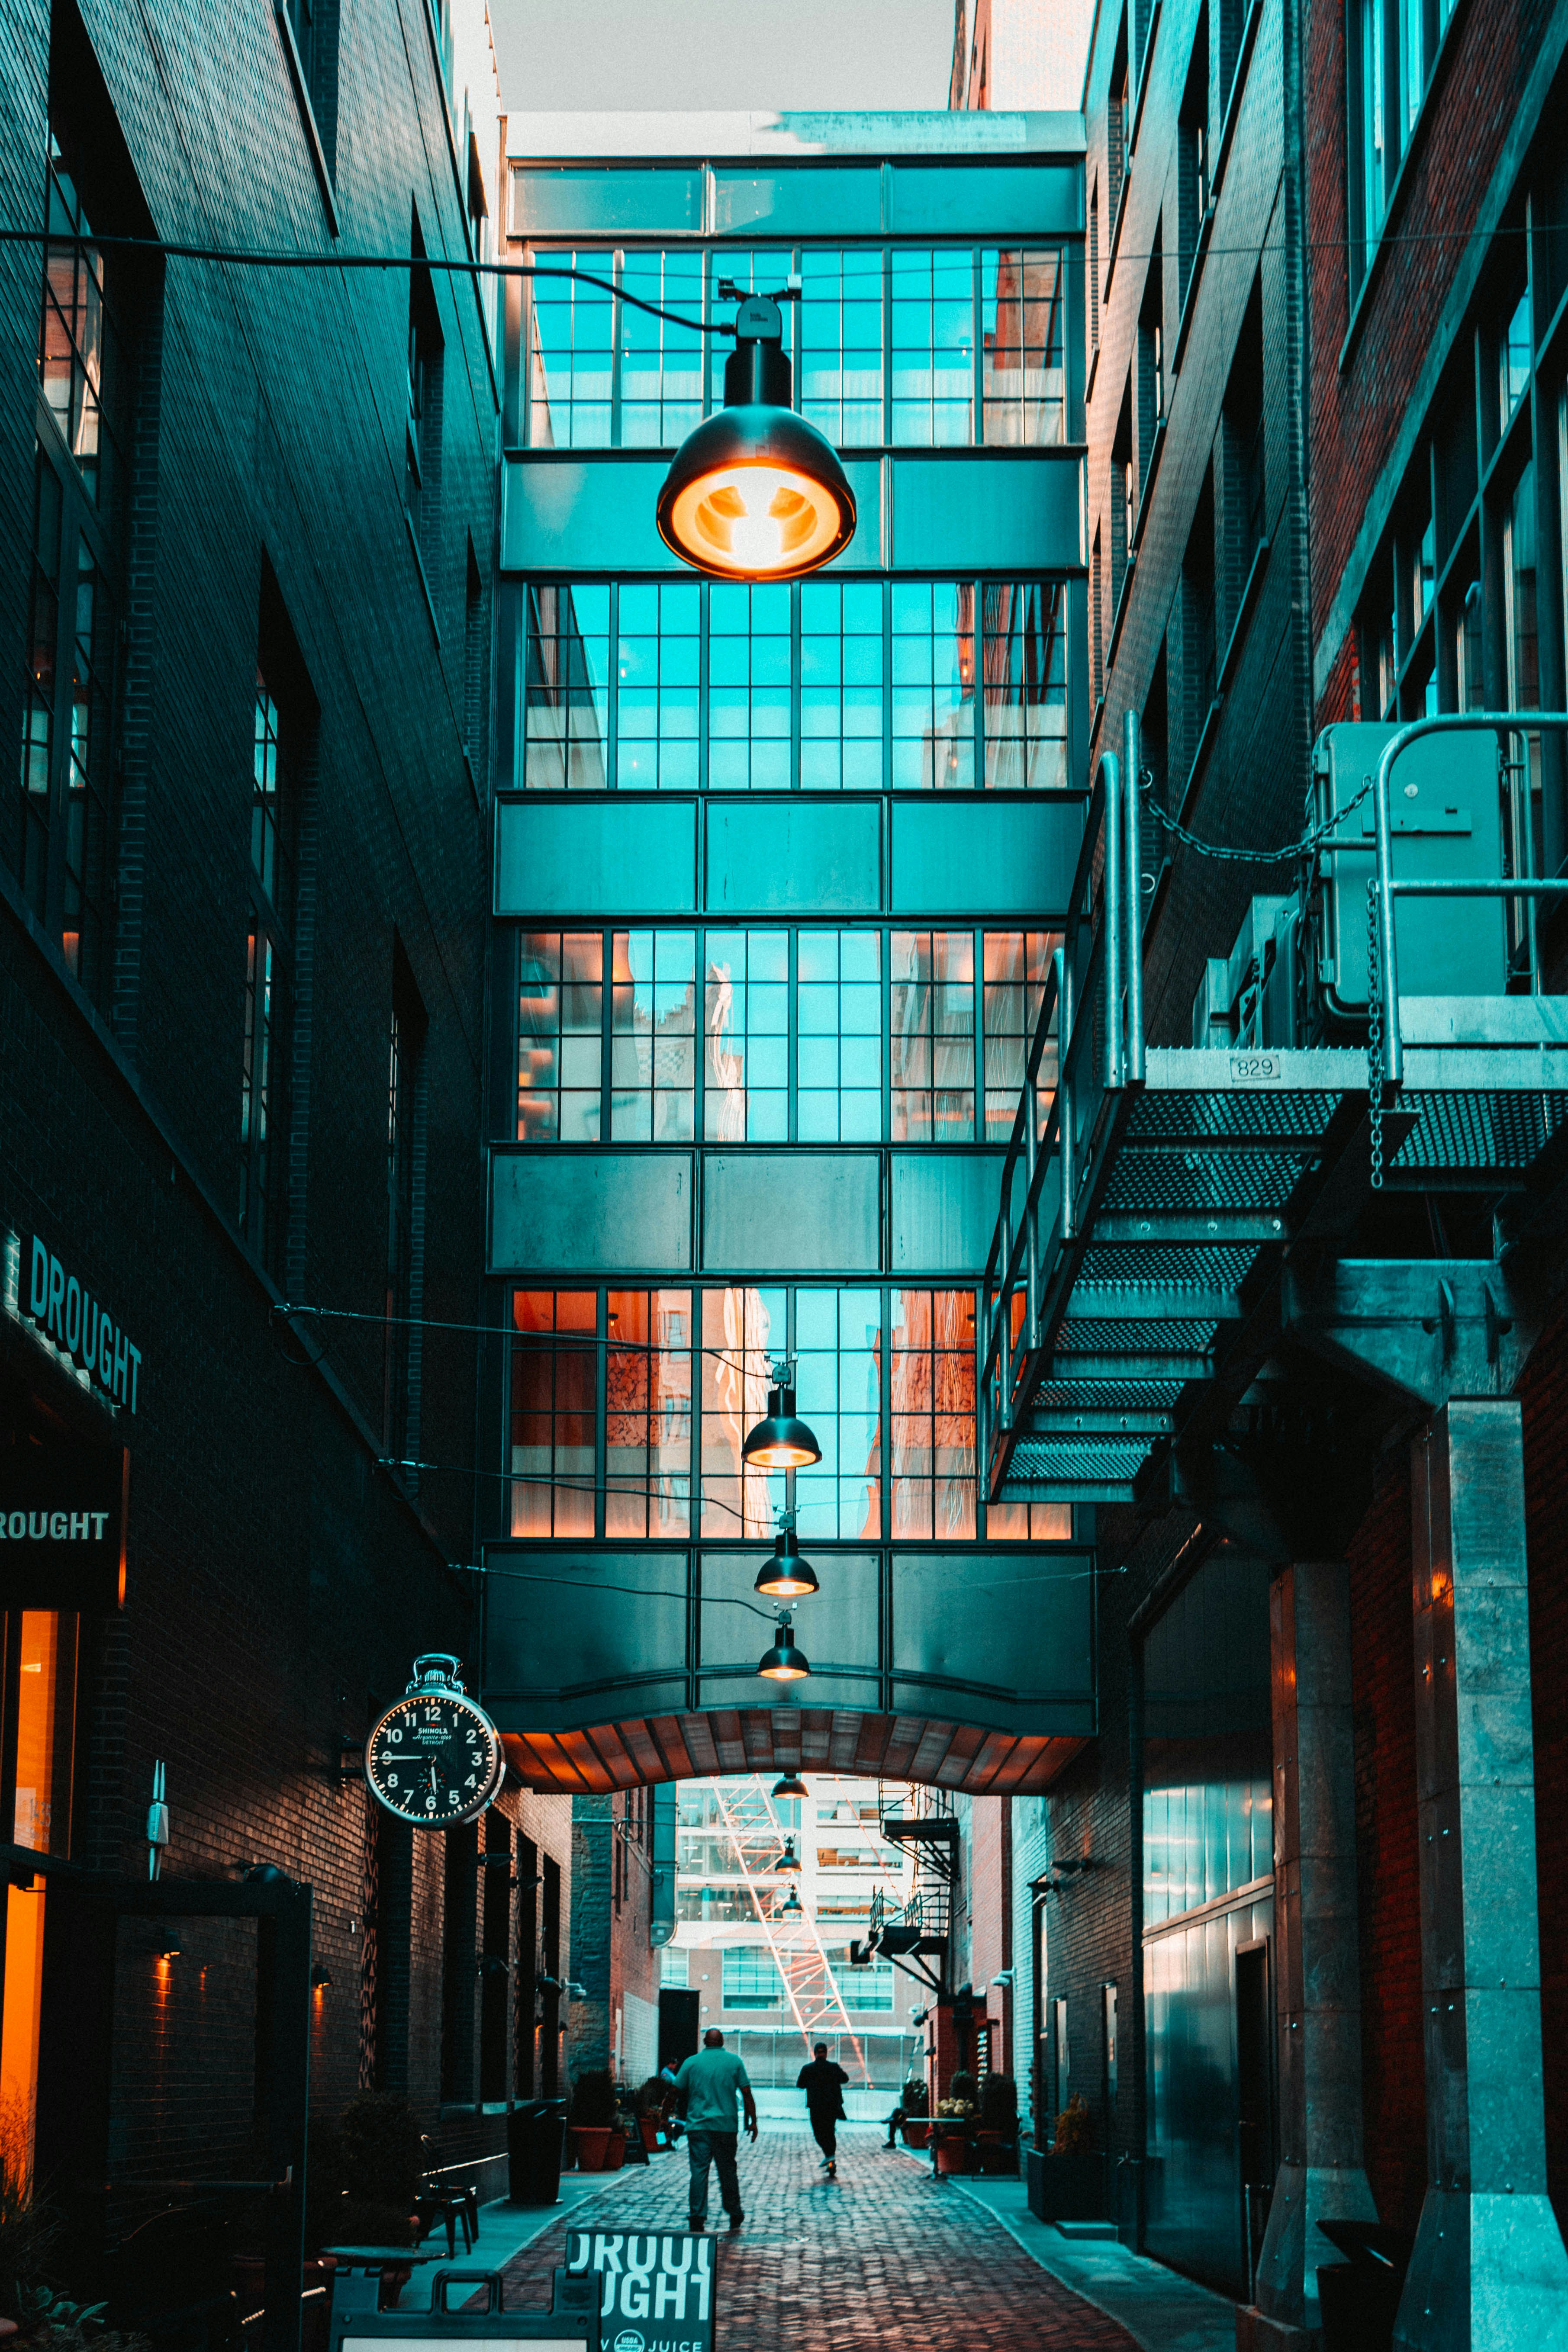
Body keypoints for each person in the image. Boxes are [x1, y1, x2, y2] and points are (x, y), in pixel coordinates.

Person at [672, 2027, 758, 2231]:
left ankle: (697, 2216)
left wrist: (664, 2120)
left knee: (699, 2172)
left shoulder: (692, 2062)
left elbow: (674, 2091)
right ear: (722, 2041)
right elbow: (746, 2093)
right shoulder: (734, 2062)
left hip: (698, 2126)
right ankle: (734, 2212)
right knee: (728, 2171)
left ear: (704, 2041)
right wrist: (753, 2121)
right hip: (726, 2127)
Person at [796, 2041, 849, 2178]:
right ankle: (831, 2158)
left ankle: (829, 2156)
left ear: (815, 2054)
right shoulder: (833, 2067)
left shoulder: (808, 2069)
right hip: (832, 2106)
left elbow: (800, 2085)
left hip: (816, 2106)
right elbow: (845, 2079)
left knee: (819, 2132)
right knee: (830, 2132)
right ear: (826, 2053)